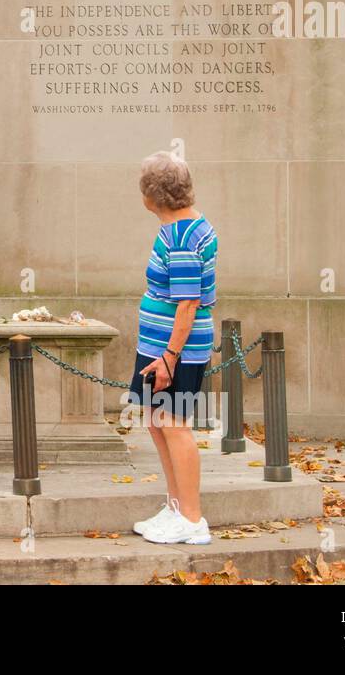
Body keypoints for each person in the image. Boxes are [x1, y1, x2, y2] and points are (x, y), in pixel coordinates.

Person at [128, 151, 218, 545]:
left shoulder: (182, 236)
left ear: (152, 196)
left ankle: (193, 520)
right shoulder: (183, 227)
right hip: (158, 344)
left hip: (172, 349)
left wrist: (168, 357)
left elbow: (188, 302)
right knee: (156, 421)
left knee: (173, 425)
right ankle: (176, 507)